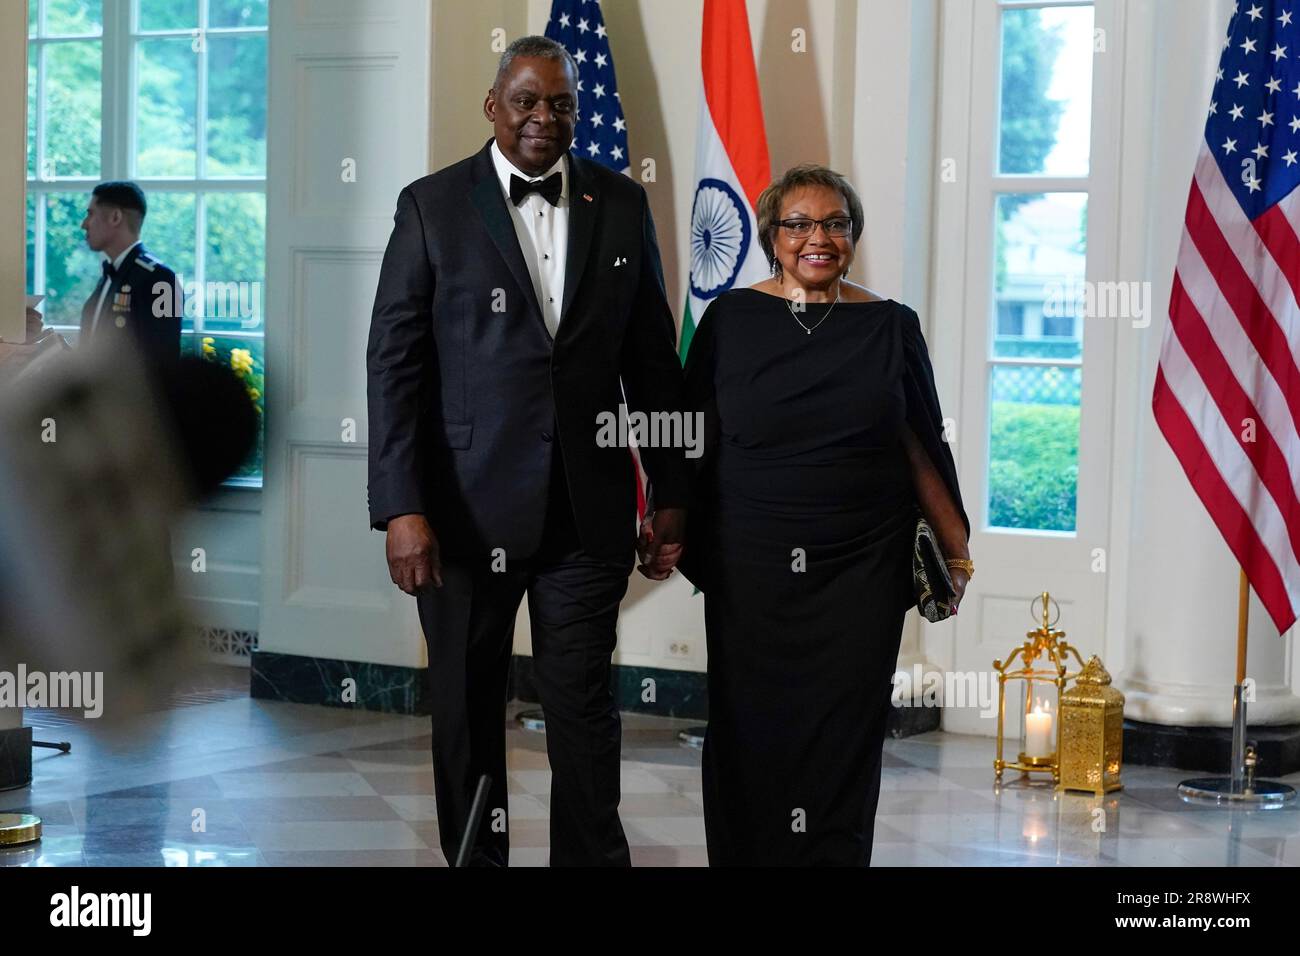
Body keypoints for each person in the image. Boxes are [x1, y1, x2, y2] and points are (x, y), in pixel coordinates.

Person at [366, 35, 690, 867]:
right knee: (468, 710)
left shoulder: (620, 204)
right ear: (493, 105)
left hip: (586, 515)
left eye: (560, 104)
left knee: (583, 705)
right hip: (461, 517)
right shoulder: (432, 206)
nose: (544, 118)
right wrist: (402, 508)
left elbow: (651, 360)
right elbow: (394, 365)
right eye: (526, 101)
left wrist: (673, 493)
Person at [678, 163, 972, 866]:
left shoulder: (891, 327)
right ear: (772, 237)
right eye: (800, 224)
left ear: (853, 236)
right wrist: (667, 520)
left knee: (846, 734)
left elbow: (920, 444)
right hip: (751, 565)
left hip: (860, 569)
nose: (819, 238)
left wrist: (955, 551)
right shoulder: (730, 320)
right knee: (750, 729)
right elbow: (692, 435)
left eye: (835, 224)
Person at [79, 181, 180, 369]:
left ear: (115, 217)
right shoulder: (108, 277)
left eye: (90, 214)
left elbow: (164, 364)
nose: (84, 225)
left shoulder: (160, 279)